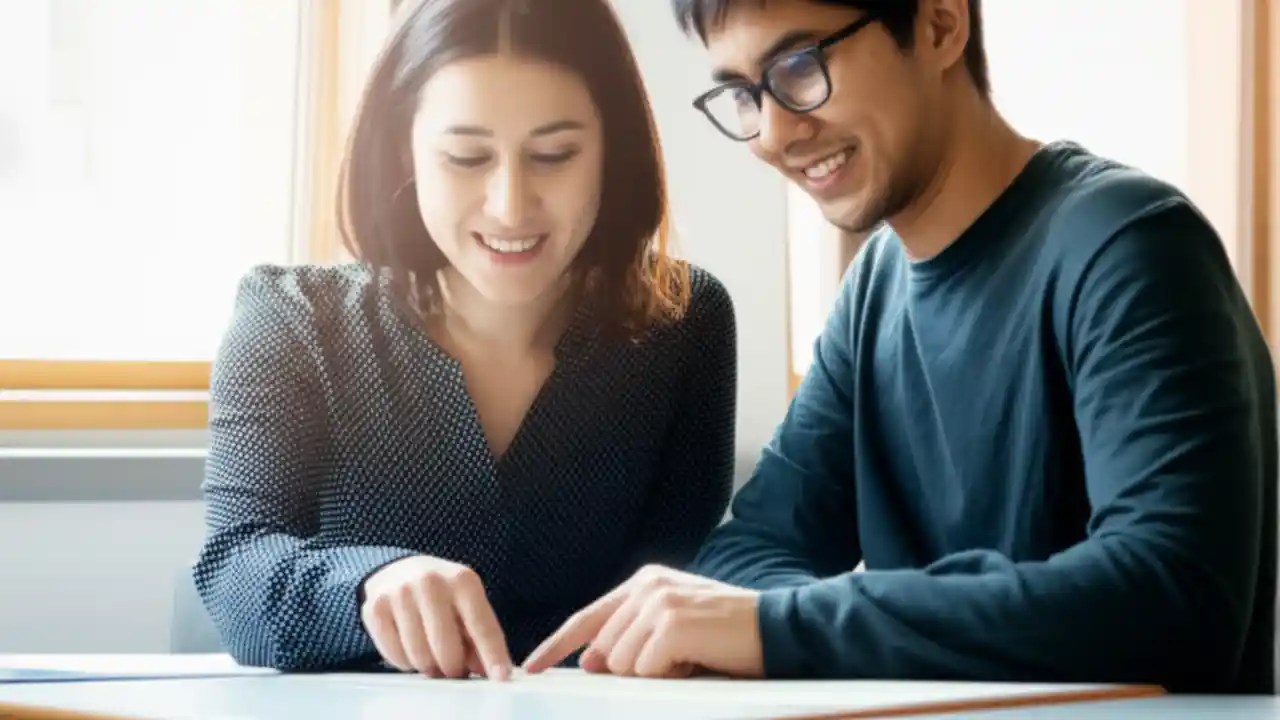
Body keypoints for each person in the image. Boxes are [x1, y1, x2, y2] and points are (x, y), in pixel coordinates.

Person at [525, 0, 1277, 694]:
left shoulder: (1127, 246)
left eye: (799, 67)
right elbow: (745, 553)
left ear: (941, 24)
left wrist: (788, 626)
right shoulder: (874, 290)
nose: (774, 135)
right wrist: (791, 623)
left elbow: (1173, 597)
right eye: (745, 94)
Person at [194, 0, 737, 681]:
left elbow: (683, 581)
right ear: (405, 151)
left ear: (611, 151)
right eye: (465, 156)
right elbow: (233, 569)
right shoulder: (292, 320)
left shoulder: (685, 324)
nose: (510, 205)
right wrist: (368, 585)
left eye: (554, 155)